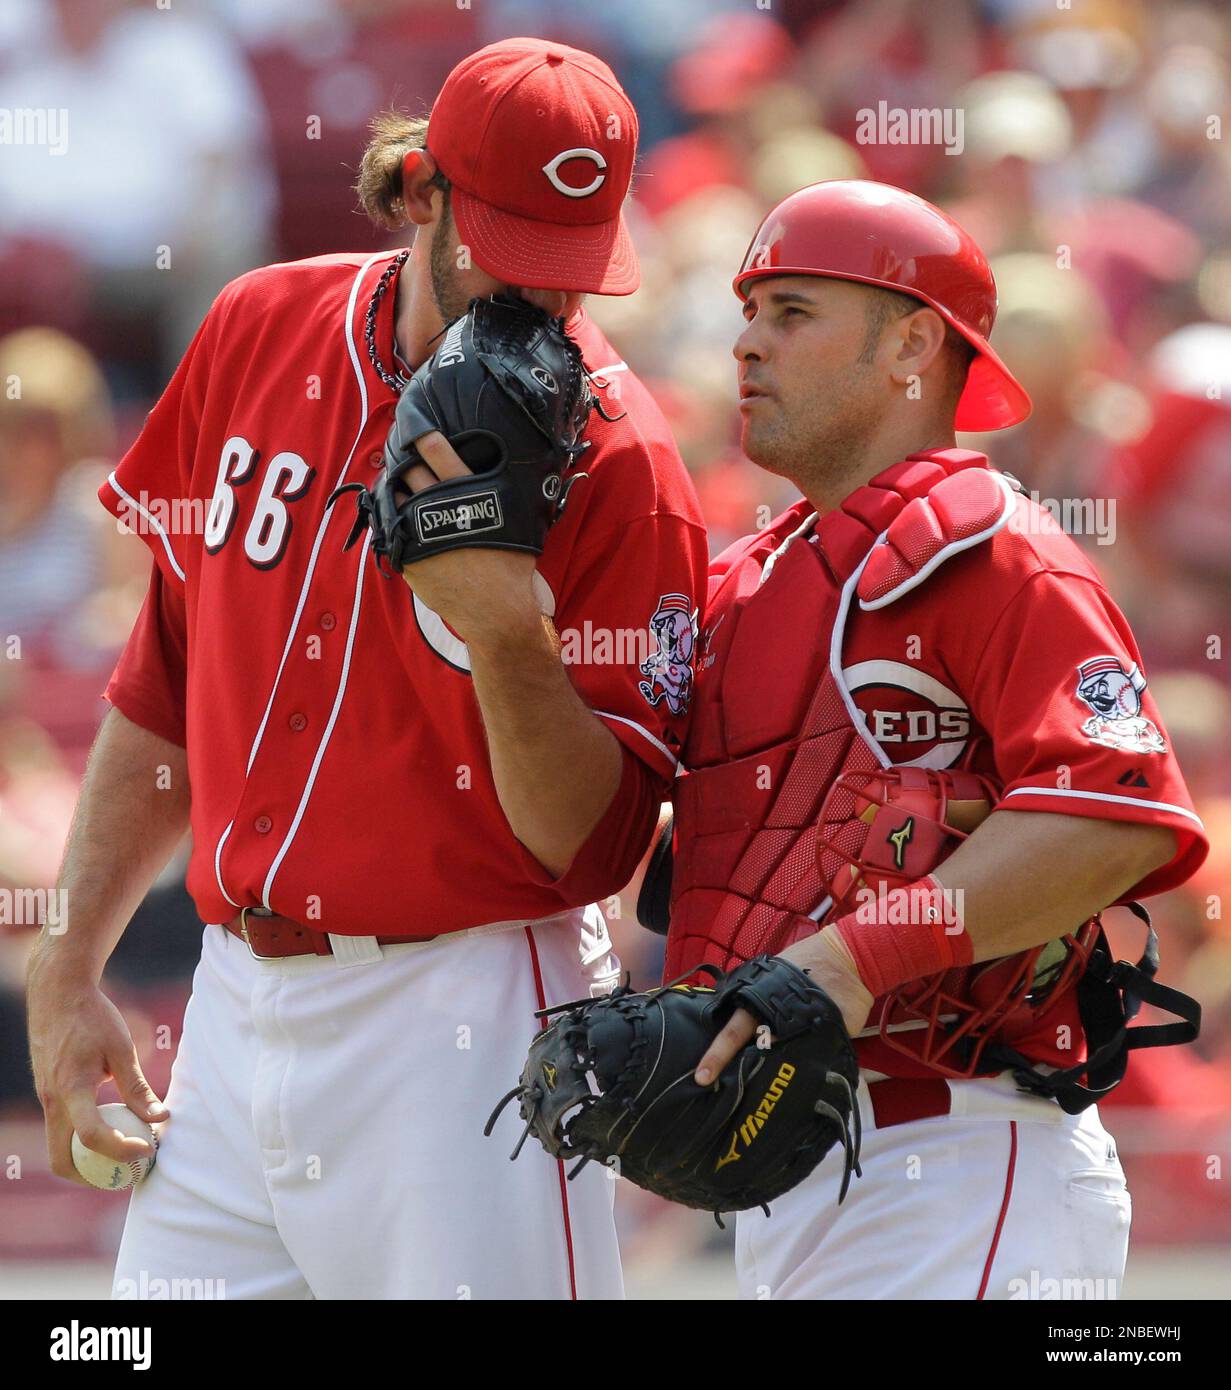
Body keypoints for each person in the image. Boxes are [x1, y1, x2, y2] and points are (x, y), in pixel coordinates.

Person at [26, 37, 706, 1301]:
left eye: (575, 262)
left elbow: (593, 852)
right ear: (416, 194)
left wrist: (508, 633)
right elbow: (163, 683)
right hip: (234, 1009)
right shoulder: (254, 324)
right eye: (515, 252)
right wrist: (68, 965)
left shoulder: (620, 462)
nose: (548, 301)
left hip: (470, 1015)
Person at [665, 180, 1208, 1300]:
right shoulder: (745, 580)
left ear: (914, 341)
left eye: (793, 312)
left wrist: (852, 957)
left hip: (959, 1156)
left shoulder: (996, 552)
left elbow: (1108, 821)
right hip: (789, 1174)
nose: (745, 343)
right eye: (749, 310)